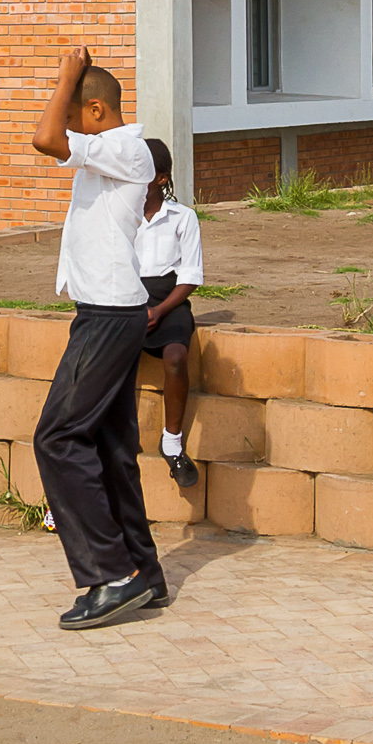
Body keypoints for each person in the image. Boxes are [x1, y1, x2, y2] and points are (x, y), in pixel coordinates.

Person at [30, 42, 168, 628]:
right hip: (104, 312)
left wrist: (66, 73)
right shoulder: (107, 153)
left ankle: (112, 575)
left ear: (93, 111)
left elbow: (44, 139)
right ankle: (145, 573)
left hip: (111, 315)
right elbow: (56, 137)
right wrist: (67, 86)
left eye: (70, 110)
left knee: (57, 438)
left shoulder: (126, 148)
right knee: (109, 449)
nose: (62, 124)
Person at [134, 138, 204, 495]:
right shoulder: (121, 216)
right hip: (127, 300)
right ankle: (112, 441)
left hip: (169, 301)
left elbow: (190, 277)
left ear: (161, 179)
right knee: (109, 363)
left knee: (176, 357)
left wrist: (159, 310)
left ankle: (172, 442)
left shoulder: (183, 217)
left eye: (142, 171)